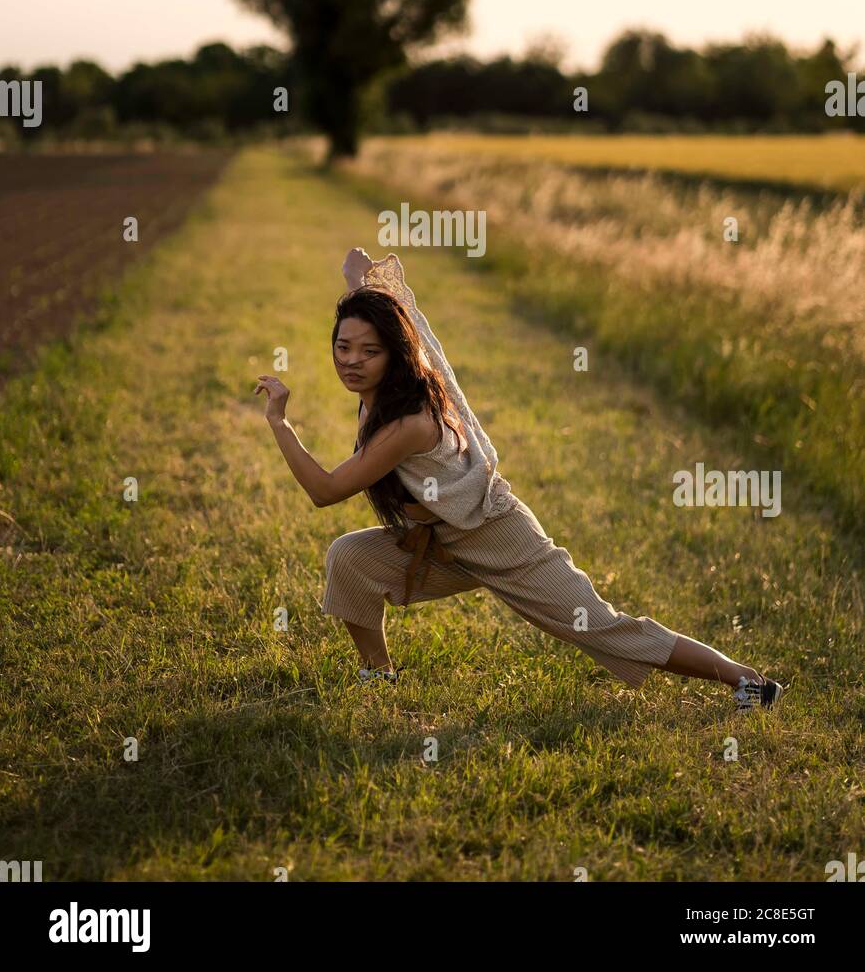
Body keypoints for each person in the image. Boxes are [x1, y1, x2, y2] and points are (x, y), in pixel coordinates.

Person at [255, 248, 783, 713]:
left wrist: (280, 422)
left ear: (395, 353)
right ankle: (379, 677)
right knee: (351, 559)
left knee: (601, 627)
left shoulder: (406, 422)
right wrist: (357, 275)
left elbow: (324, 491)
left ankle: (749, 683)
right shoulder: (397, 374)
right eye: (343, 347)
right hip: (436, 543)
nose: (352, 361)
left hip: (498, 535)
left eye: (369, 351)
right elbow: (365, 280)